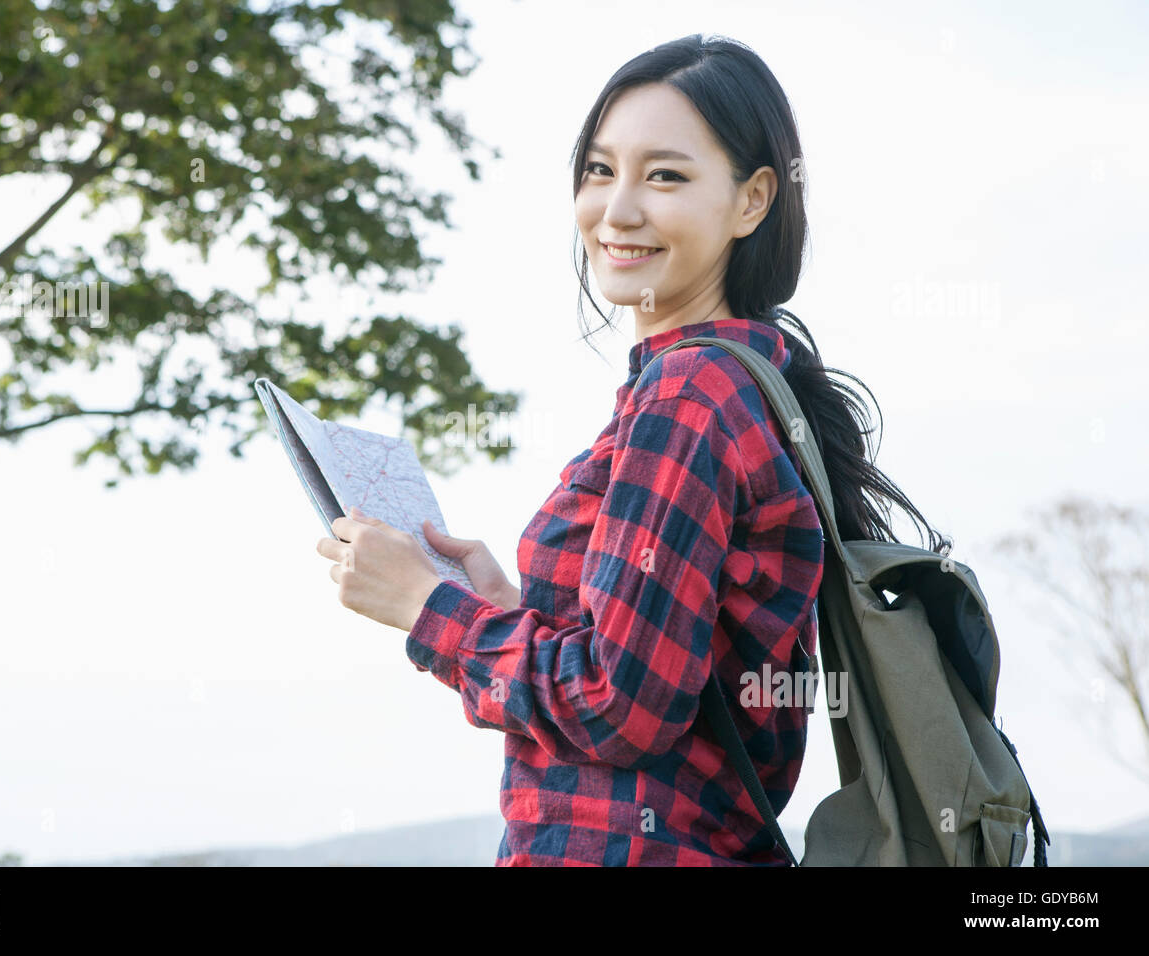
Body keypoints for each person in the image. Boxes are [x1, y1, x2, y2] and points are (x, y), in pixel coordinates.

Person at [316, 33, 950, 866]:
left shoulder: (688, 399)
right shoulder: (746, 383)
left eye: (666, 175)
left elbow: (622, 709)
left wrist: (426, 608)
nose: (616, 210)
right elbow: (661, 669)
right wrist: (507, 604)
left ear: (754, 200)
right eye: (599, 169)